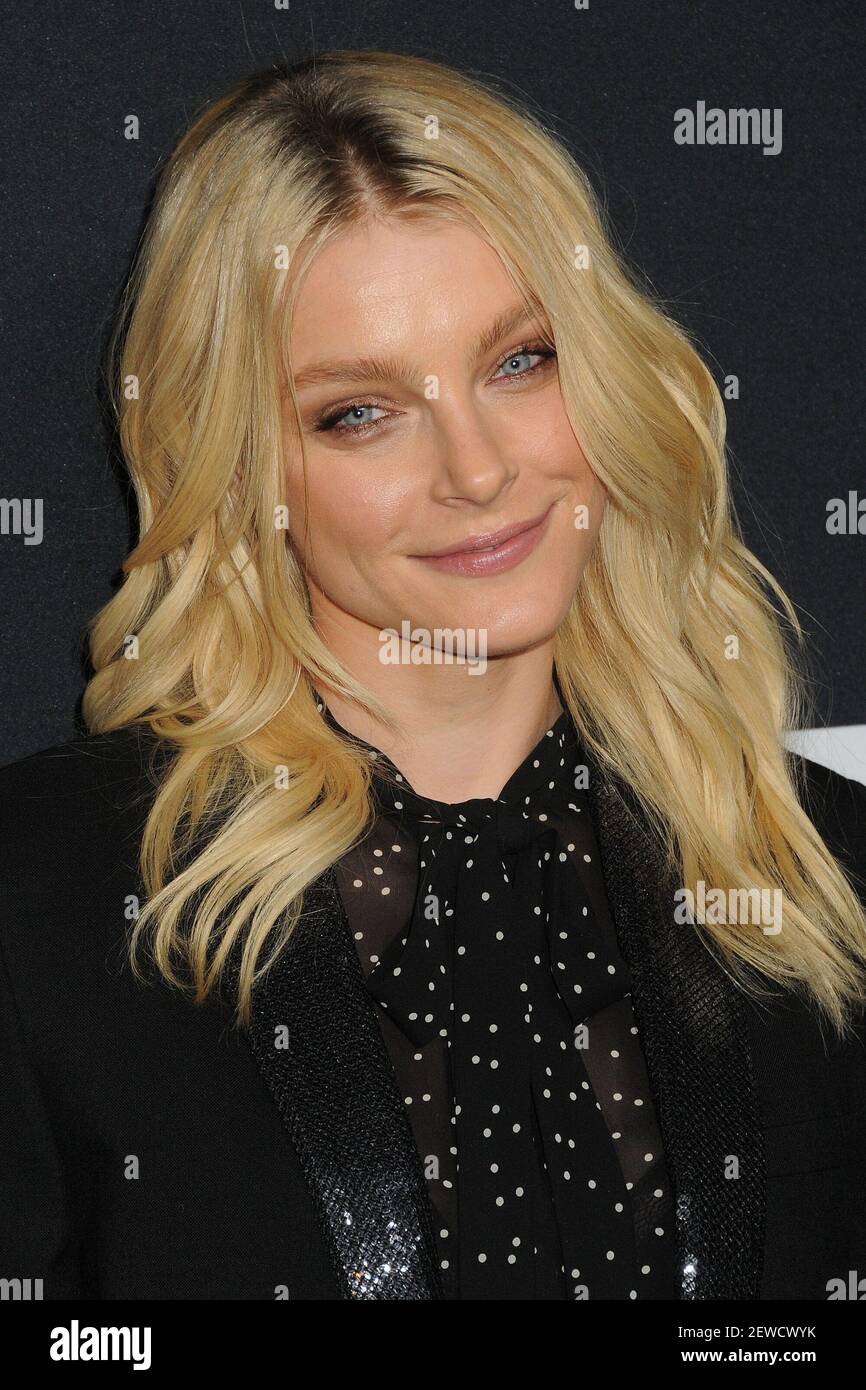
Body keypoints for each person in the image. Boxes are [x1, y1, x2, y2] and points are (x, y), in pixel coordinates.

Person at [2, 50, 866, 1302]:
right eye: (359, 411)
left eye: (518, 361)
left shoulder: (815, 878)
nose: (475, 469)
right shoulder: (47, 907)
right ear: (240, 468)